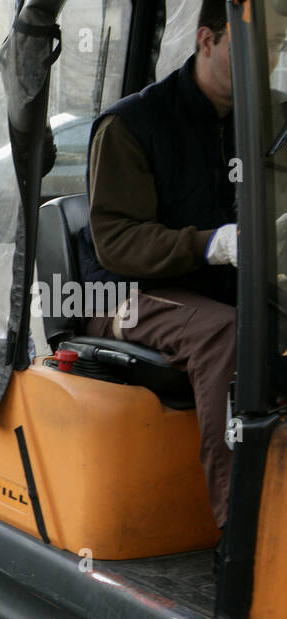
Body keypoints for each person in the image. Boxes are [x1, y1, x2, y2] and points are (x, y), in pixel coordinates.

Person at [78, 0, 235, 532]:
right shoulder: (131, 125)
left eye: (279, 46)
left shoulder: (260, 122)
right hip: (121, 292)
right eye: (257, 45)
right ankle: (241, 533)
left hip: (209, 286)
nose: (270, 58)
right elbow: (118, 242)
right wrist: (210, 245)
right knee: (227, 335)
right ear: (208, 41)